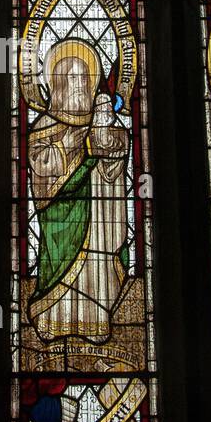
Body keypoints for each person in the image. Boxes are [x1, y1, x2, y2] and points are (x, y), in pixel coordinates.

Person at [28, 39, 129, 343]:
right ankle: (52, 320)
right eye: (70, 77)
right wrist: (70, 145)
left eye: (83, 77)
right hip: (58, 215)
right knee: (60, 268)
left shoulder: (99, 120)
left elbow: (115, 157)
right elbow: (41, 163)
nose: (77, 84)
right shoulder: (45, 124)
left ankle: (94, 321)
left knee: (95, 261)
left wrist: (104, 136)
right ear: (55, 83)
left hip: (97, 218)